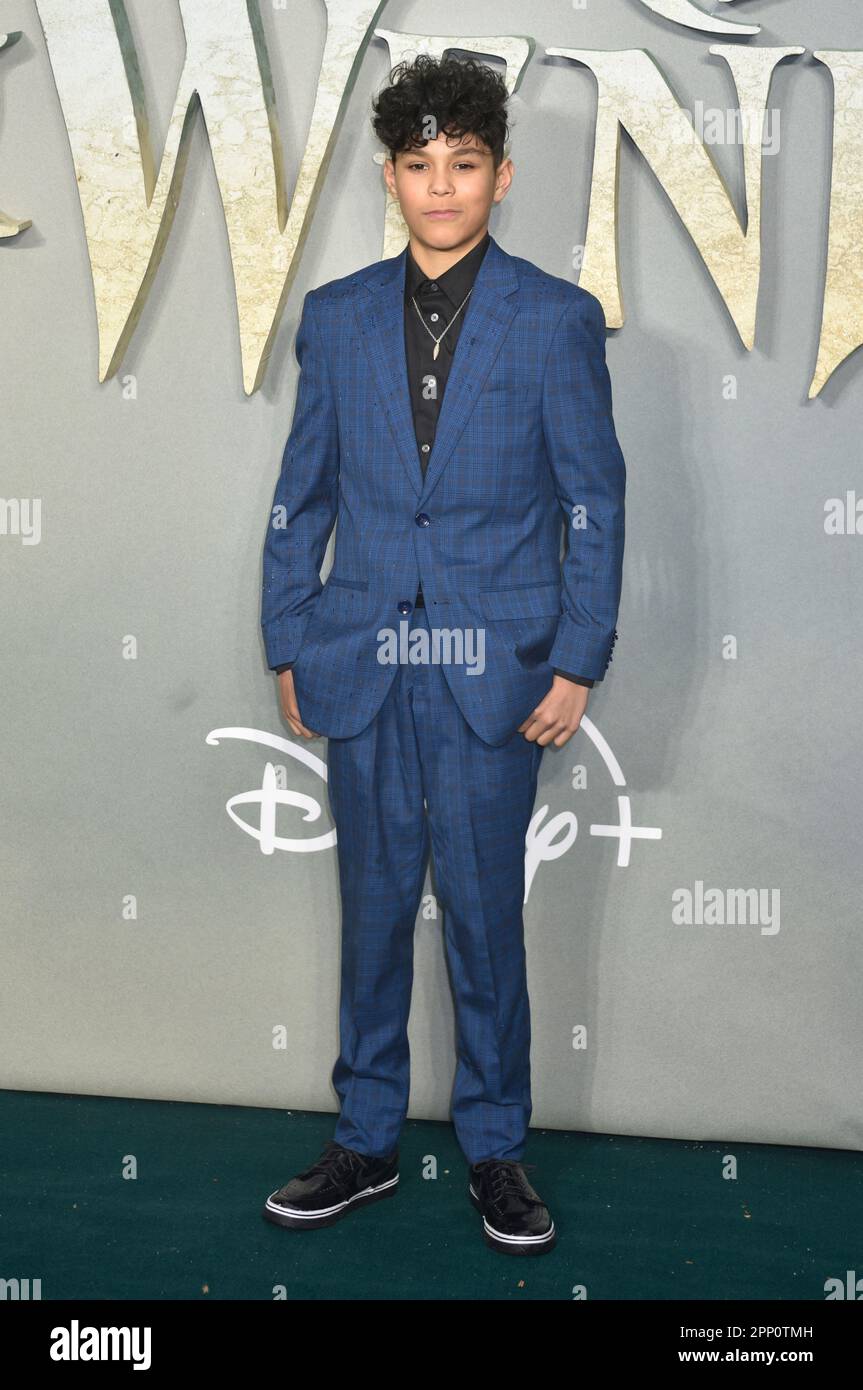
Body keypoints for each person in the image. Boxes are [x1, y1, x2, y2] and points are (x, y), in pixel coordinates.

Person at [260, 54, 625, 1257]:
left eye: (463, 165)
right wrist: (287, 637)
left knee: (480, 920)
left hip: (495, 669)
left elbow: (593, 500)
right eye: (418, 166)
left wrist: (575, 658)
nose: (440, 187)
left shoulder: (556, 319)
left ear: (499, 176)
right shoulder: (337, 315)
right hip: (359, 661)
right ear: (390, 177)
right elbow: (299, 495)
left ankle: (496, 1150)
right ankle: (363, 1140)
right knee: (368, 913)